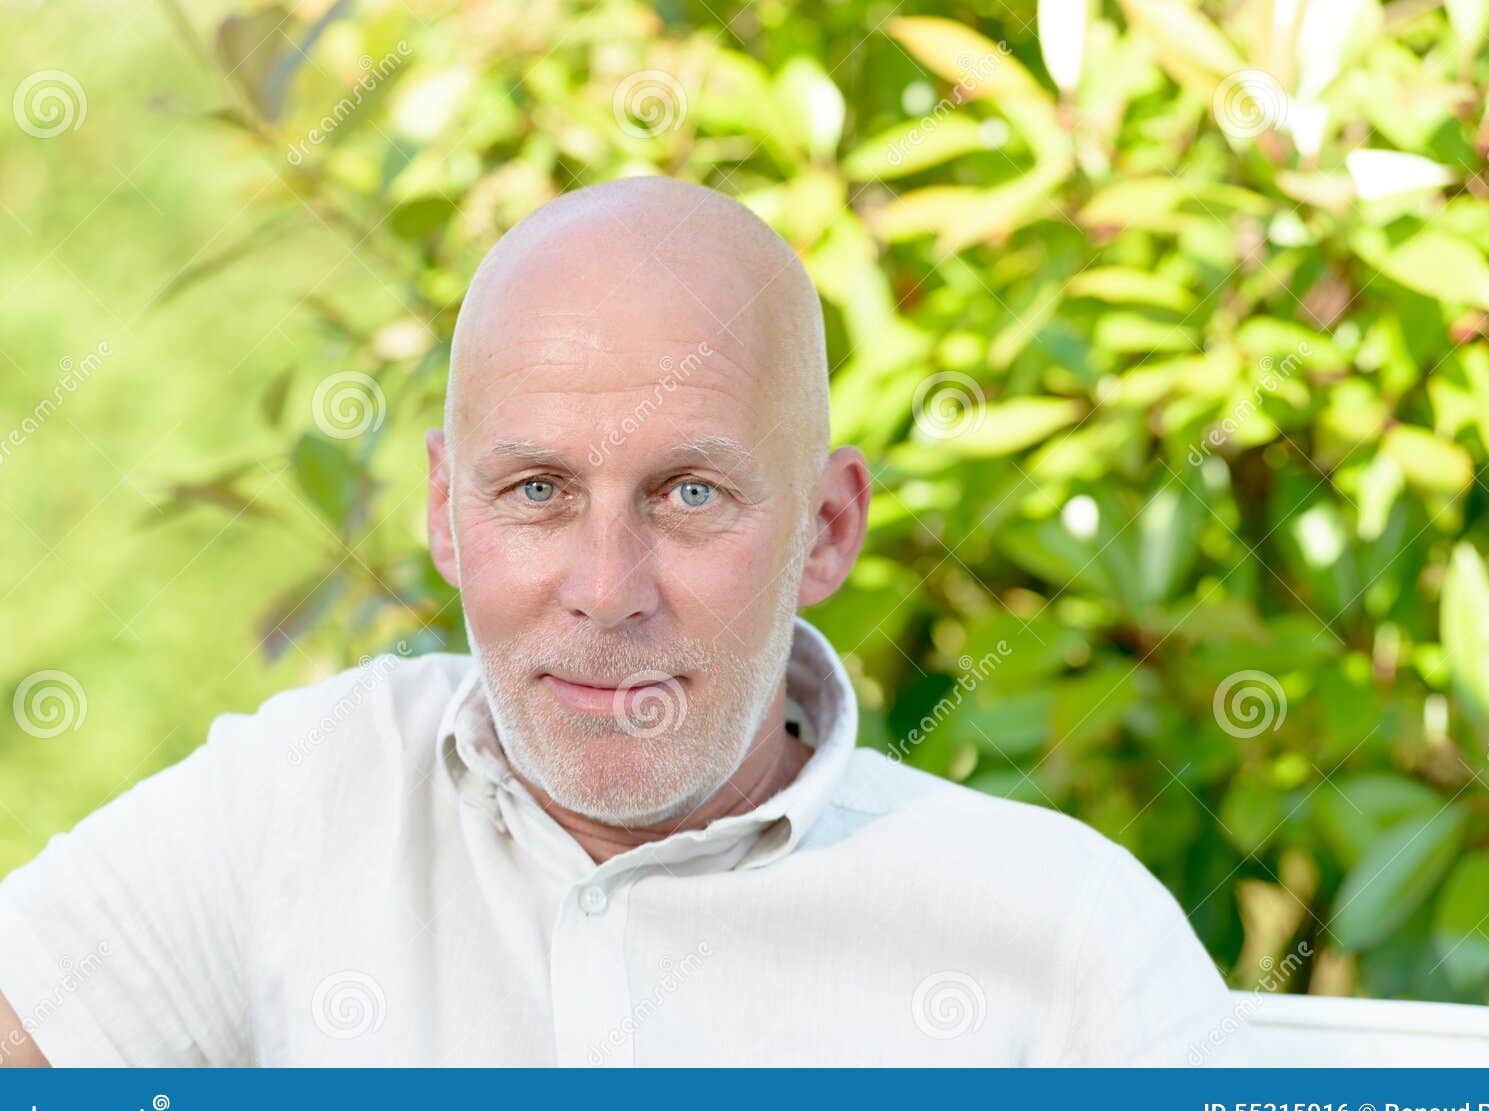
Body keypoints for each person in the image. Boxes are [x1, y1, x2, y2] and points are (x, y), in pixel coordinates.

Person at [0, 177, 1234, 1066]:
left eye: (689, 495)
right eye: (535, 492)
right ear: (444, 510)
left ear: (825, 529)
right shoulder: (300, 798)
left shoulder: (1067, 937)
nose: (606, 587)